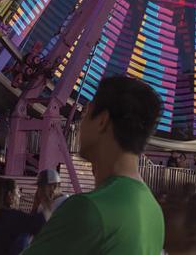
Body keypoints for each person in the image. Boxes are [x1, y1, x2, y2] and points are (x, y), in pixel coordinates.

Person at [23, 75, 165, 254]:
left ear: (102, 121)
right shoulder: (154, 212)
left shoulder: (89, 209)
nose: (81, 124)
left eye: (86, 113)